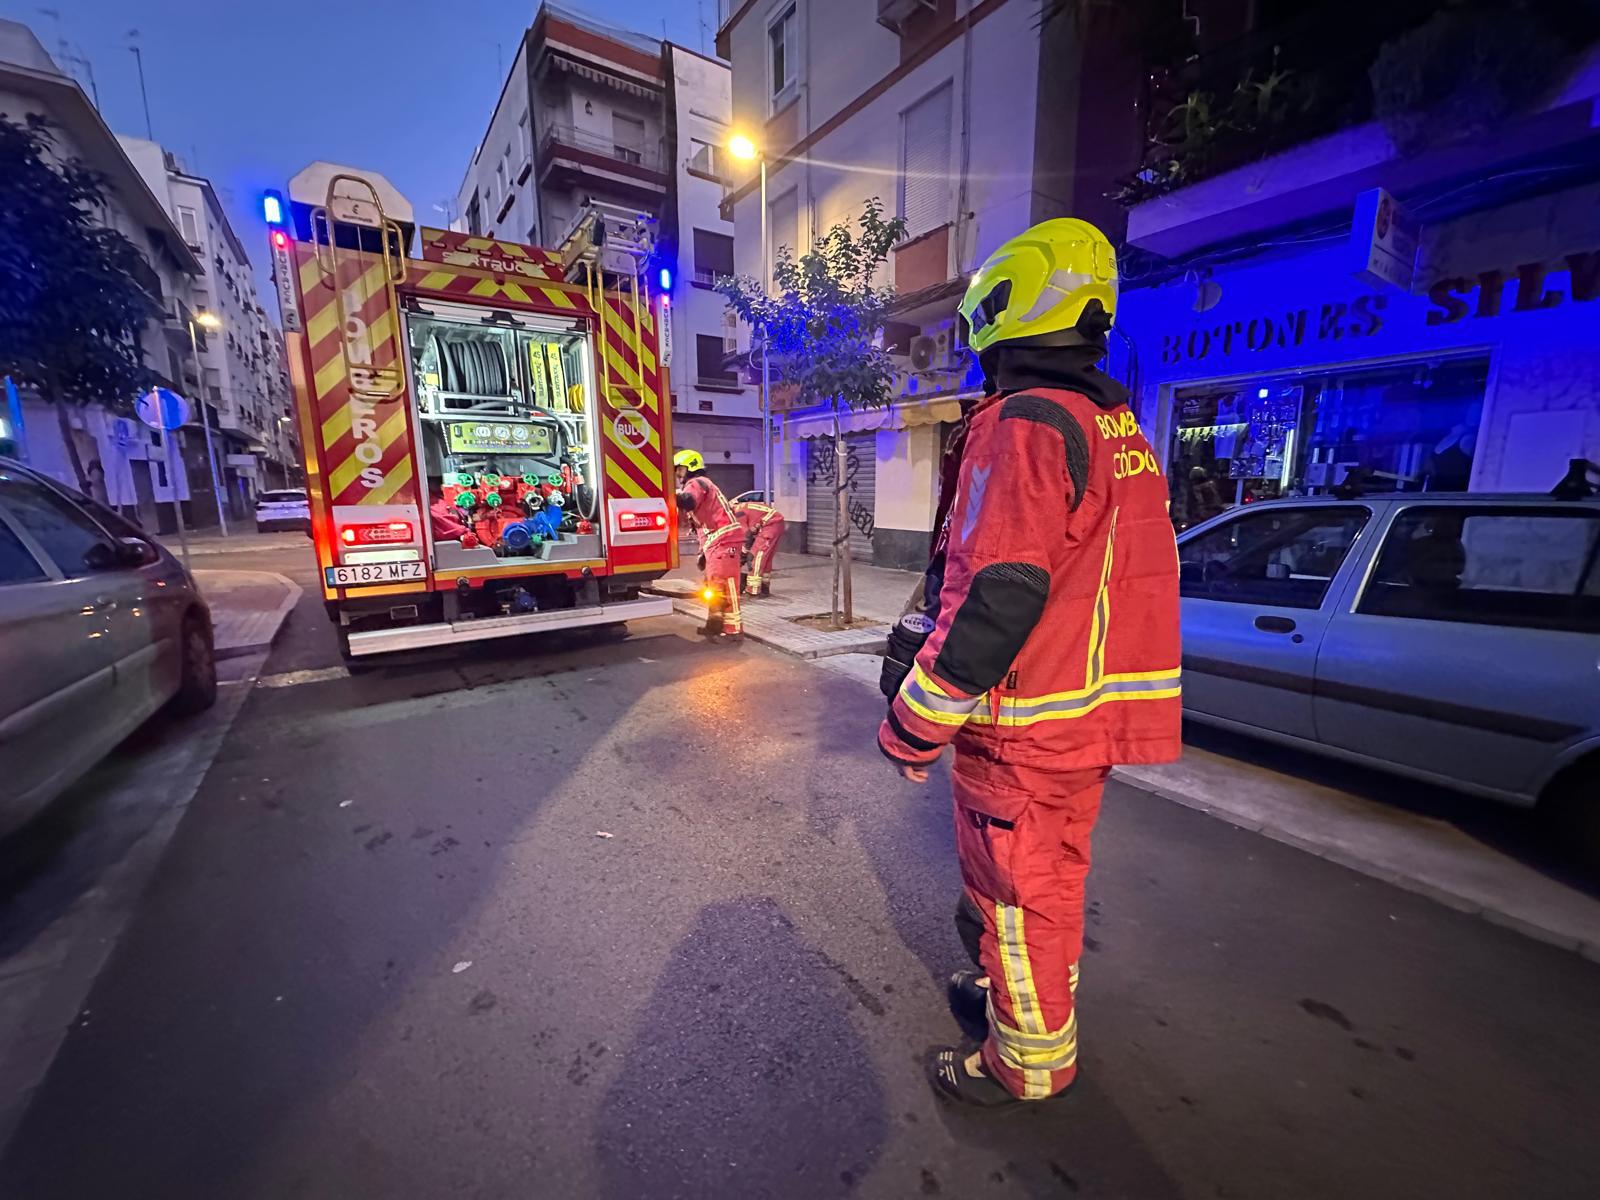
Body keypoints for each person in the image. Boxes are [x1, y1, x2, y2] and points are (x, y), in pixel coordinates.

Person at [875, 218, 1182, 1108]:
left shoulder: (1024, 423)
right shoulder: (1113, 423)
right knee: (1048, 889)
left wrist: (913, 725)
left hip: (1025, 728)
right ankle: (1027, 1007)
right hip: (1083, 726)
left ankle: (1025, 1063)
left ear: (1004, 308)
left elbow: (999, 590)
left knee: (1013, 900)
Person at [674, 449, 743, 641]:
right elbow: (701, 525)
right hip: (719, 540)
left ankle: (733, 630)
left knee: (725, 584)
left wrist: (668, 494)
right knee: (714, 584)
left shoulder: (696, 483)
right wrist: (702, 553)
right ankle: (716, 623)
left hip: (723, 538)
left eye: (680, 470)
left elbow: (688, 501)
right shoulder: (704, 485)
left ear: (689, 467)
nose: (679, 475)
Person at [733, 496, 785, 597]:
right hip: (776, 524)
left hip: (770, 525)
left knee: (756, 557)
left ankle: (752, 591)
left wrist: (743, 553)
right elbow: (750, 533)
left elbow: (745, 535)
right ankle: (765, 588)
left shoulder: (737, 514)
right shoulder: (742, 508)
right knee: (766, 558)